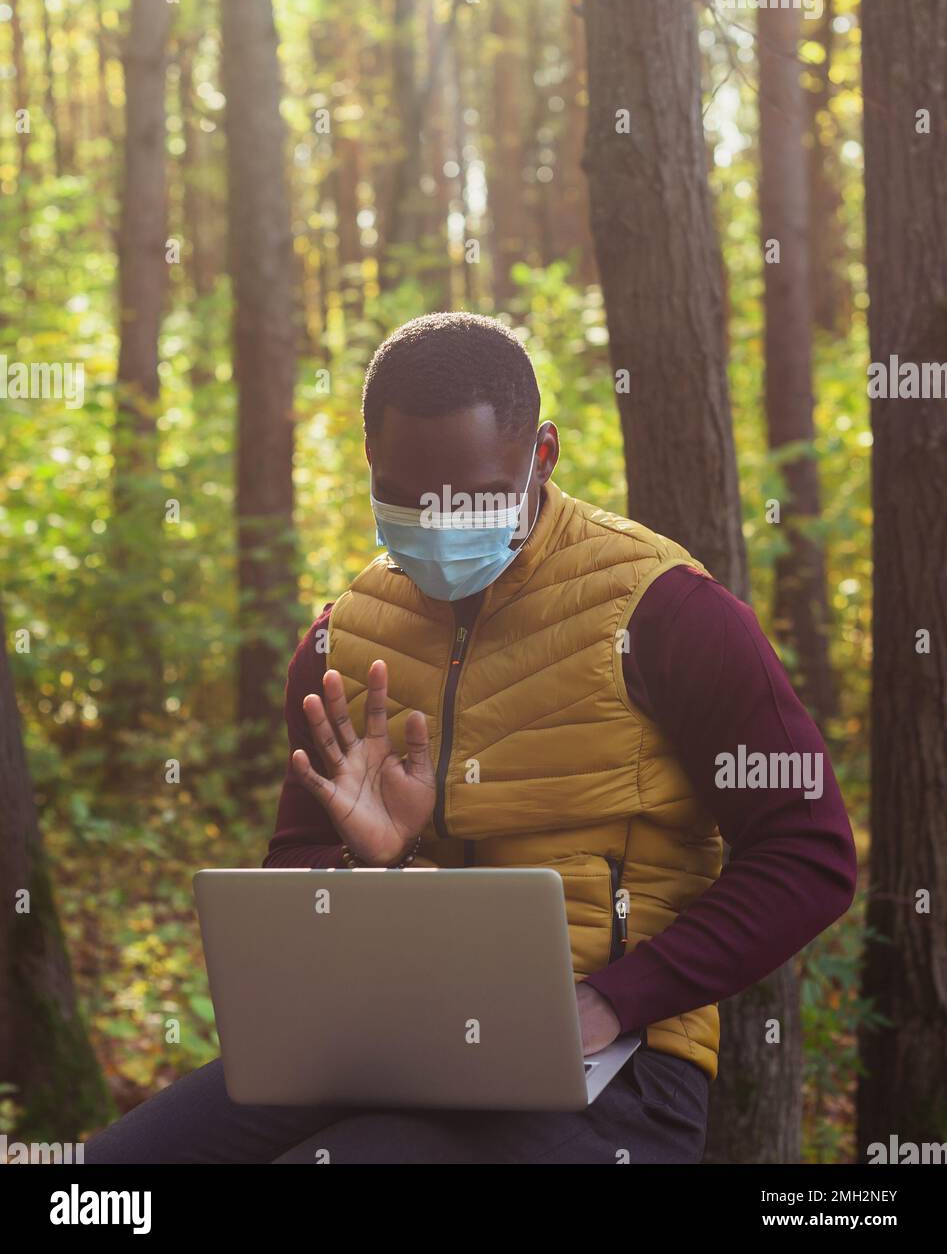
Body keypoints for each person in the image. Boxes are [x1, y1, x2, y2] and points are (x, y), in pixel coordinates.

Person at [86, 312, 857, 1164]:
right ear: (370, 460)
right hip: (381, 1037)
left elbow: (807, 854)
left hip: (616, 1064)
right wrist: (366, 863)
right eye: (408, 498)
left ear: (543, 455)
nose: (441, 521)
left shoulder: (667, 613)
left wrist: (610, 1000)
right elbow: (292, 883)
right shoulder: (339, 640)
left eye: (474, 496)